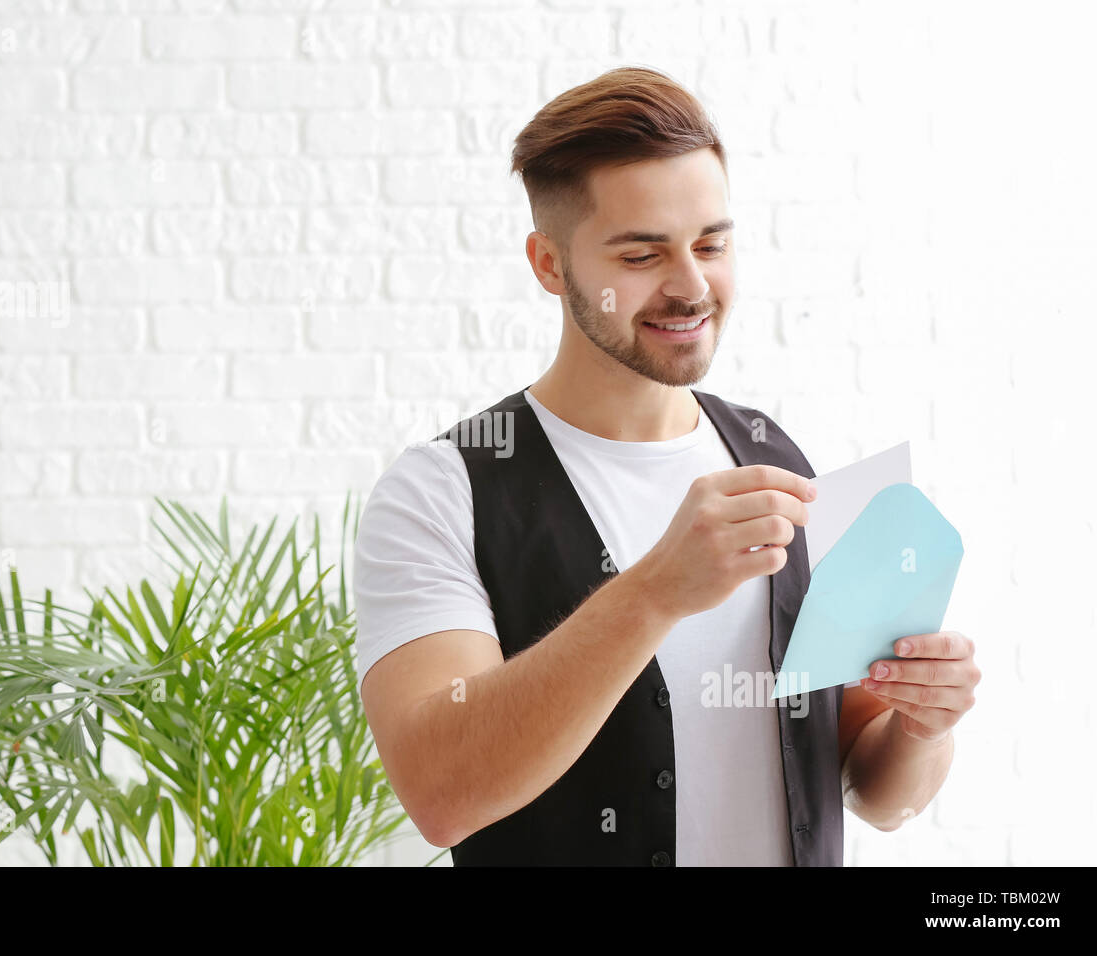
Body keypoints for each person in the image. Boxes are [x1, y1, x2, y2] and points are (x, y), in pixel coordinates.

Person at [353, 66, 976, 866]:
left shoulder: (772, 454)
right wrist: (653, 593)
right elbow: (442, 796)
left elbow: (870, 788)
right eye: (643, 255)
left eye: (711, 245)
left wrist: (922, 727)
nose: (691, 288)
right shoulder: (445, 491)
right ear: (549, 265)